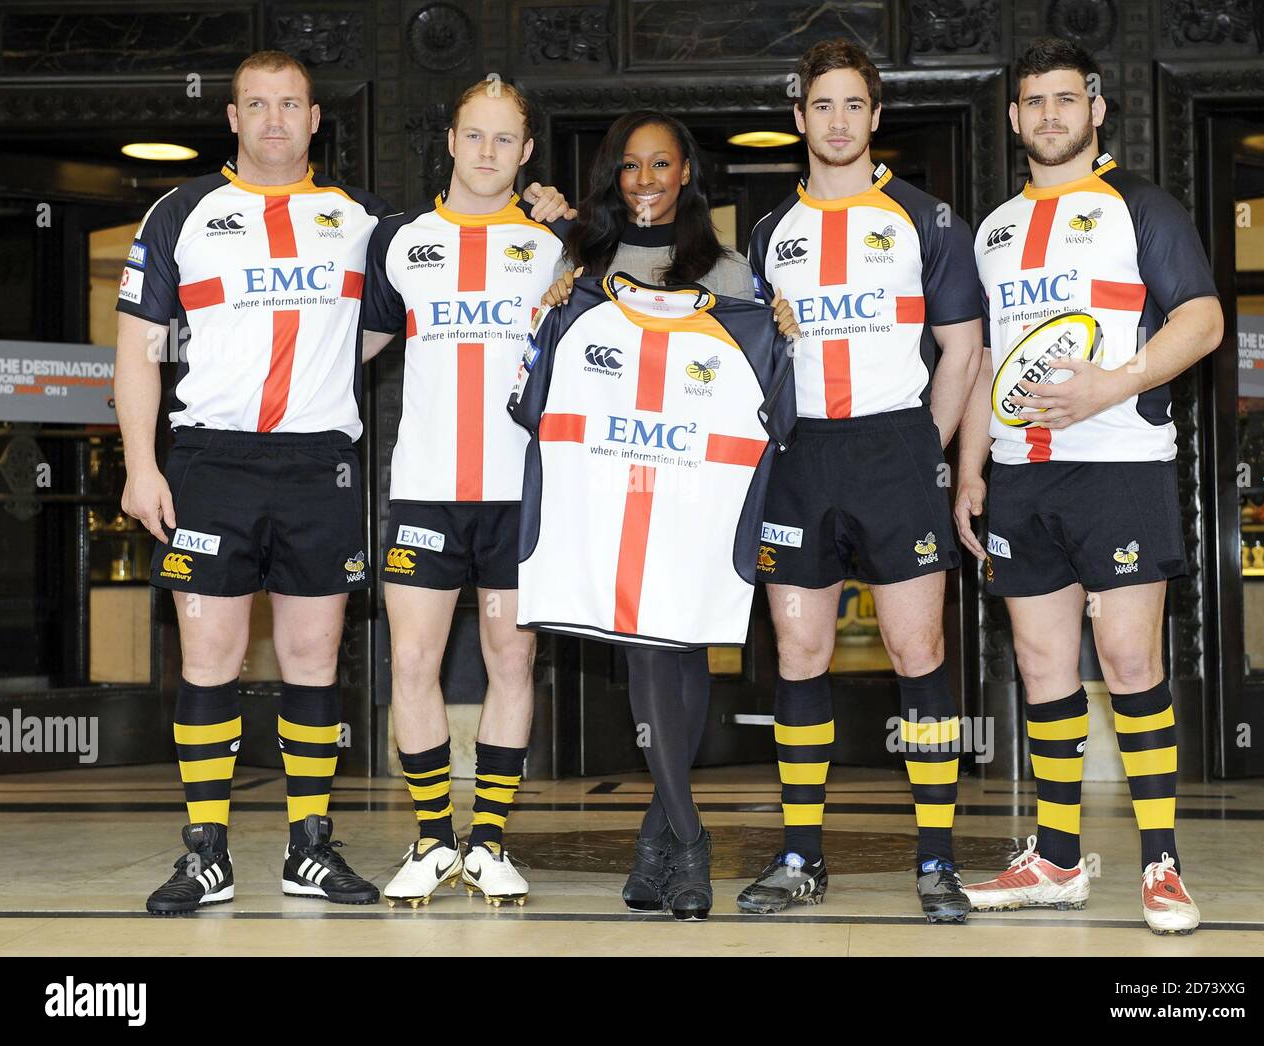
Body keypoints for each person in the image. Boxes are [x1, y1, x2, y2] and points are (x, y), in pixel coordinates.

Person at [955, 37, 1223, 935]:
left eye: (1065, 99)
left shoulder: (1138, 205)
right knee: (1040, 666)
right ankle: (1058, 861)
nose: (1049, 116)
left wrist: (1114, 383)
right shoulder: (993, 228)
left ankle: (1161, 867)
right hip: (1020, 475)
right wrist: (969, 467)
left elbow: (1204, 318)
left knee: (1131, 663)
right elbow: (985, 354)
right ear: (1014, 116)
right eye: (1033, 102)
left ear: (1096, 108)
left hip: (1121, 465)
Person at [116, 50, 391, 913]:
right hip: (209, 463)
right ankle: (206, 853)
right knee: (210, 658)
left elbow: (401, 311)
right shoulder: (181, 212)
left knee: (313, 658)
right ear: (233, 118)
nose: (275, 119)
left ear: (316, 120)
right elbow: (138, 345)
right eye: (257, 105)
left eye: (292, 104)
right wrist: (138, 465)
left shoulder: (361, 219)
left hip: (318, 463)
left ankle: (309, 847)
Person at [739, 38, 984, 922]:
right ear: (798, 117)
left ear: (876, 118)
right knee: (800, 656)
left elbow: (965, 350)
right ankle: (801, 854)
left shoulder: (927, 218)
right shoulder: (768, 235)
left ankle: (936, 863)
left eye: (854, 106)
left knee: (919, 656)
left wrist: (930, 448)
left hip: (896, 455)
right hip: (801, 462)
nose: (837, 121)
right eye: (822, 106)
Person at [541, 111, 783, 920]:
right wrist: (549, 313)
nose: (645, 180)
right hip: (614, 494)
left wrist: (777, 332)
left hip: (693, 492)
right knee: (650, 650)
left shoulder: (729, 273)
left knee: (681, 653)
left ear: (686, 174)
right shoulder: (581, 263)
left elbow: (761, 396)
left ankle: (666, 846)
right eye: (631, 166)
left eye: (661, 165)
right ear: (615, 176)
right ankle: (685, 836)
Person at [360, 79, 573, 908]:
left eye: (504, 141)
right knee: (411, 662)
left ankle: (487, 842)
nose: (487, 153)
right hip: (424, 490)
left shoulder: (555, 244)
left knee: (510, 660)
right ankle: (429, 841)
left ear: (525, 154)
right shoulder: (400, 242)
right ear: (450, 141)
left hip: (520, 495)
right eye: (474, 136)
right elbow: (349, 348)